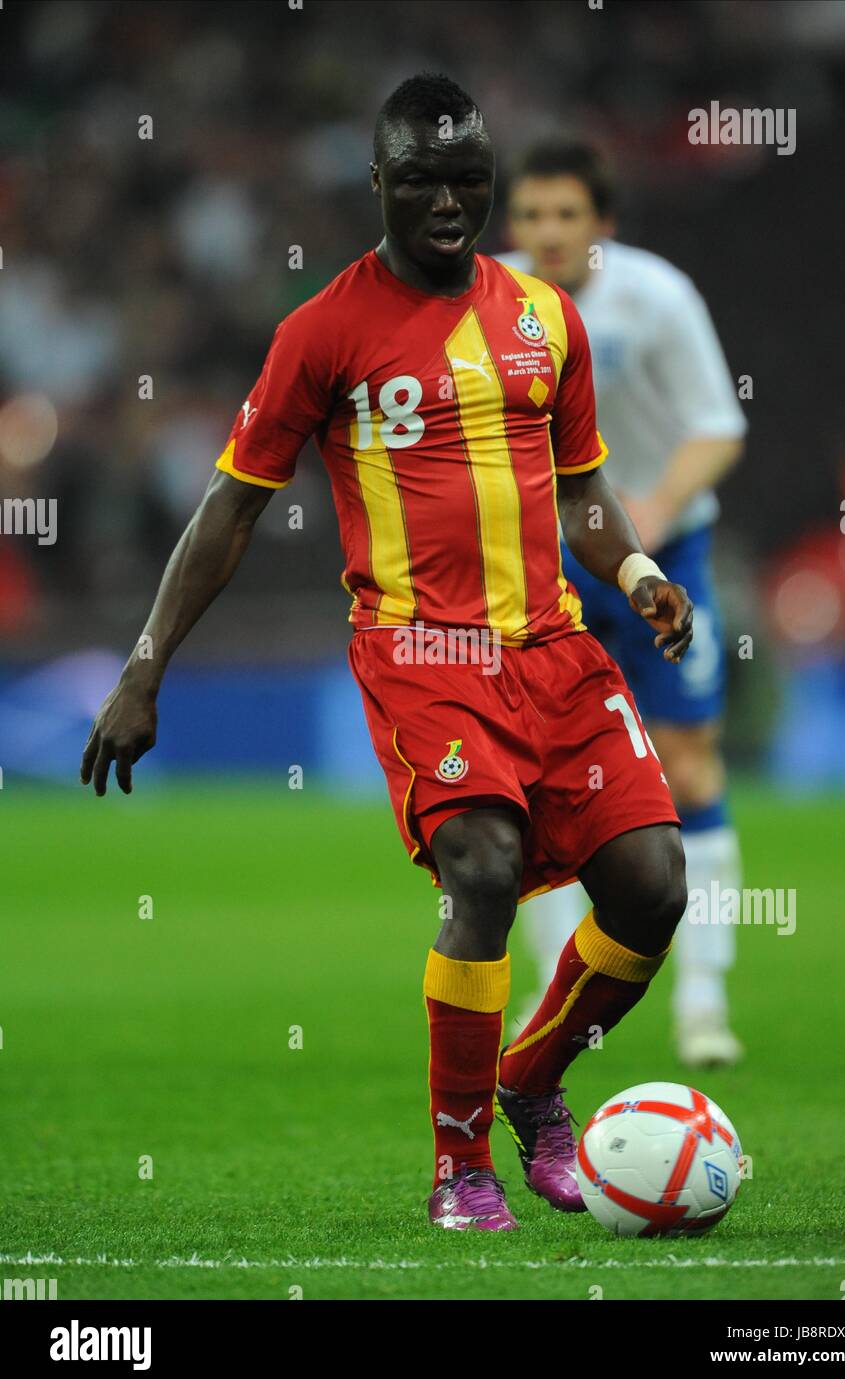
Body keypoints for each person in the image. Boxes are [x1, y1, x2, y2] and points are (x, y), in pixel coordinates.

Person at [81, 75, 694, 1232]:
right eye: (423, 182)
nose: (451, 203)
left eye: (469, 180)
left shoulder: (544, 318)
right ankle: (459, 1165)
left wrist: (637, 573)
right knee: (482, 866)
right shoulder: (320, 333)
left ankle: (530, 1079)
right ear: (378, 185)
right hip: (421, 650)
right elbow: (229, 509)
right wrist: (144, 665)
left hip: (556, 646)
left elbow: (584, 489)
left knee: (655, 887)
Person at [502, 141, 747, 1068]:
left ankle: (701, 1000)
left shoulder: (659, 298)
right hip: (542, 567)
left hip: (662, 548)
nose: (548, 233)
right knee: (530, 783)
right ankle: (552, 986)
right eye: (531, 216)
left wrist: (643, 519)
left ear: (601, 222)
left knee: (686, 765)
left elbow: (717, 425)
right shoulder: (492, 304)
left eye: (567, 215)